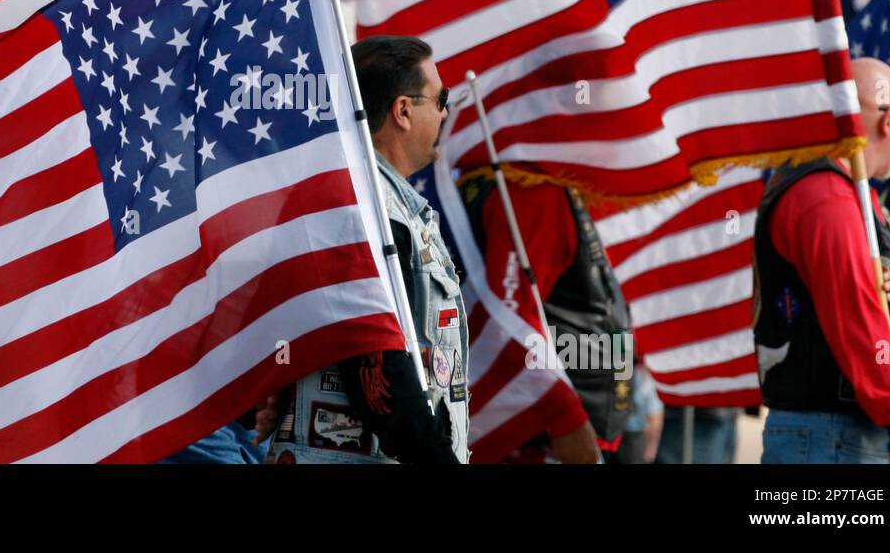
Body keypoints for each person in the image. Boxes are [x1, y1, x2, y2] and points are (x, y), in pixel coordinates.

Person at [263, 35, 468, 463]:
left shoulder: (392, 207)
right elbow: (377, 358)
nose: (447, 111)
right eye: (441, 98)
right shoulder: (358, 207)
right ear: (403, 111)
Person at [755, 58, 890, 464]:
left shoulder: (849, 195)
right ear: (889, 120)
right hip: (833, 437)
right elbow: (859, 316)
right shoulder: (827, 196)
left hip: (838, 434)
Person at [458, 175, 633, 463]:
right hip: (553, 437)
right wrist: (564, 418)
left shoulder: (549, 185)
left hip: (581, 422)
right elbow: (510, 325)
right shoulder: (532, 193)